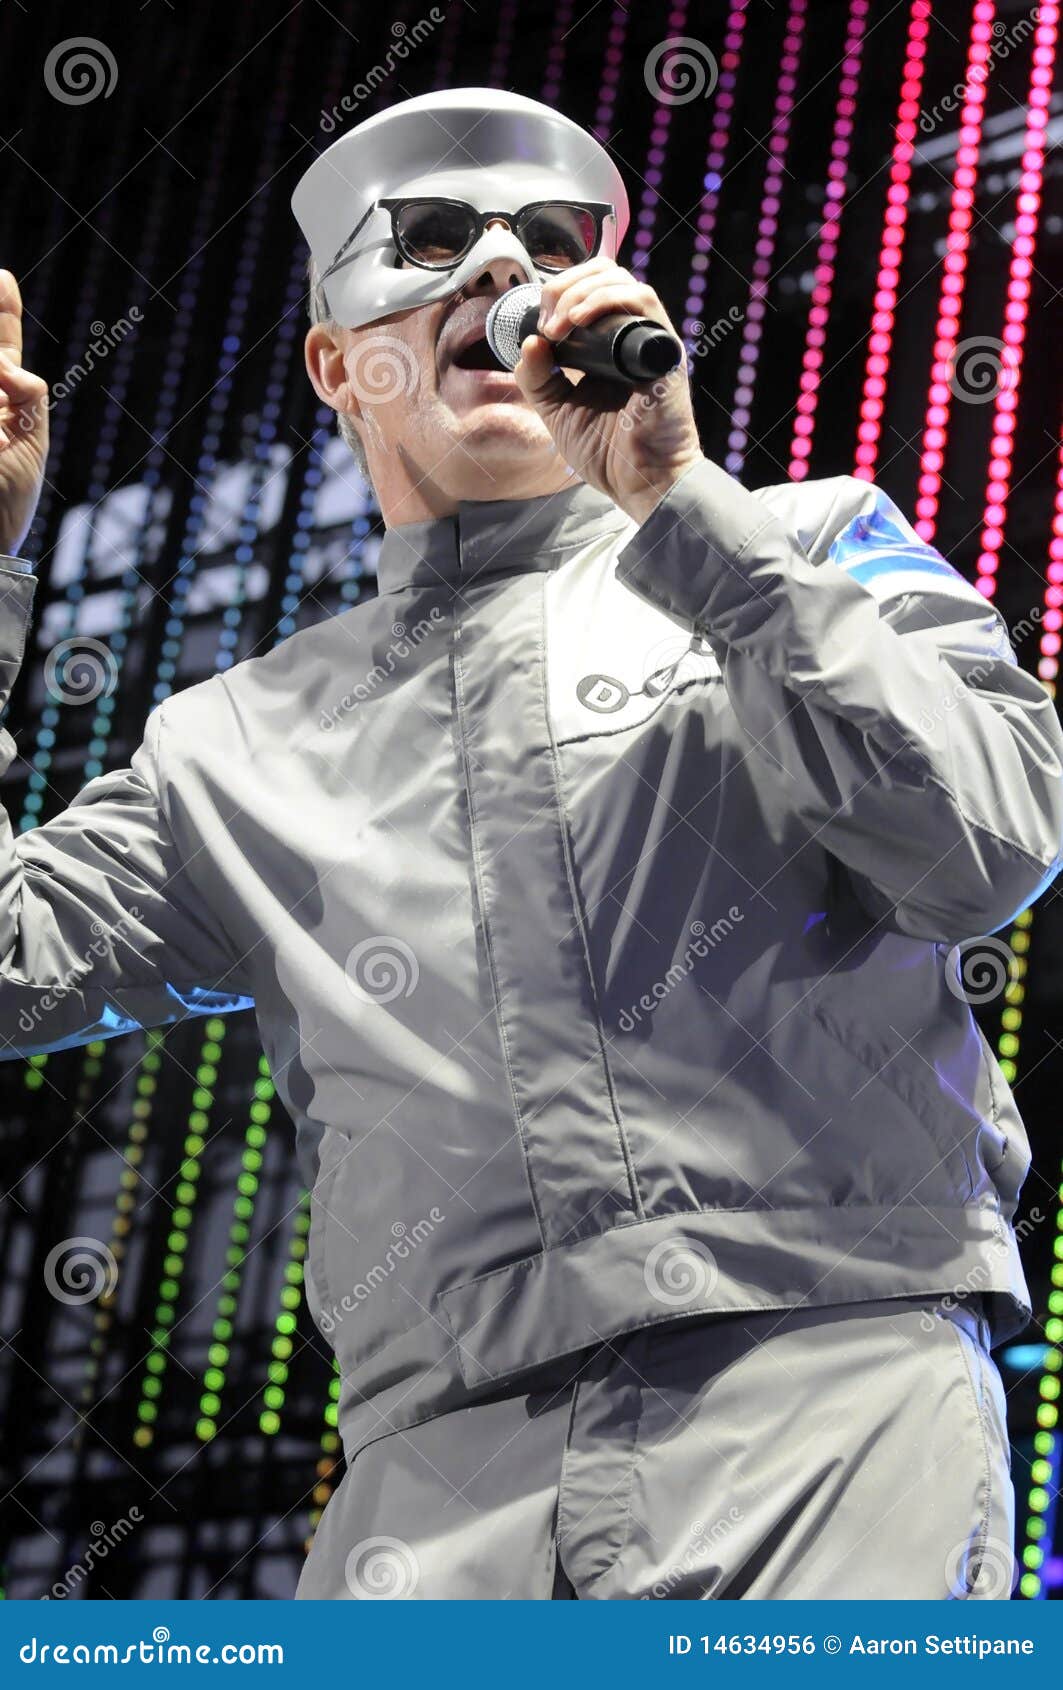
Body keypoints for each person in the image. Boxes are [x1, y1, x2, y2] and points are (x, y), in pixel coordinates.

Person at [1, 85, 1060, 1601]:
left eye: (552, 242)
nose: (504, 268)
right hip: (431, 1484)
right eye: (434, 238)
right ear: (335, 360)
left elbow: (987, 839)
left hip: (828, 1407)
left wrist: (682, 507)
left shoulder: (810, 545)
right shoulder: (232, 741)